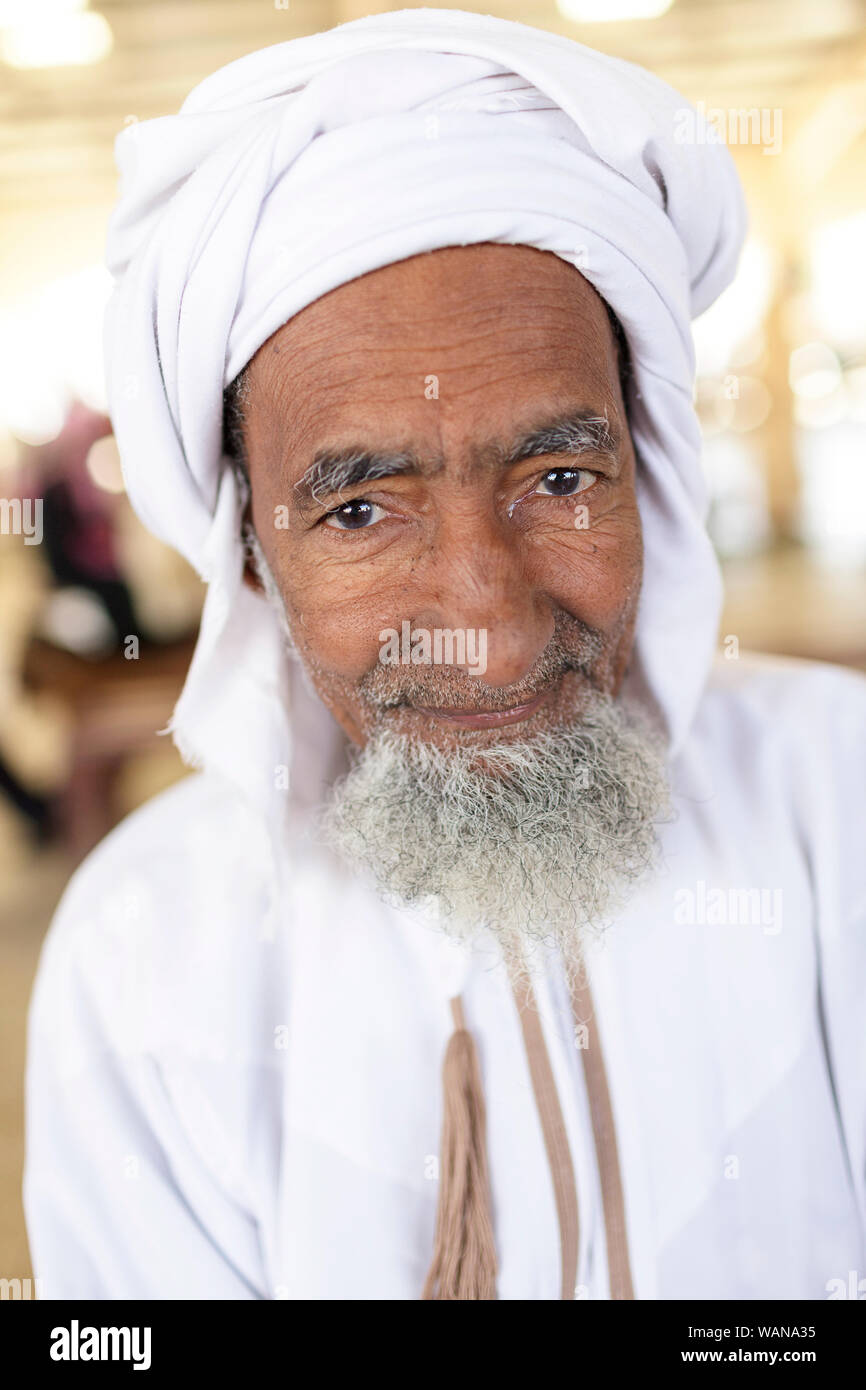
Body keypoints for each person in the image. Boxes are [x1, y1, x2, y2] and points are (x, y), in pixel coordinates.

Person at [24, 9, 865, 1300]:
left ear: (645, 473)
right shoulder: (146, 961)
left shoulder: (836, 801)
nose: (488, 619)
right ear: (252, 553)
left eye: (559, 474)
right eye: (362, 509)